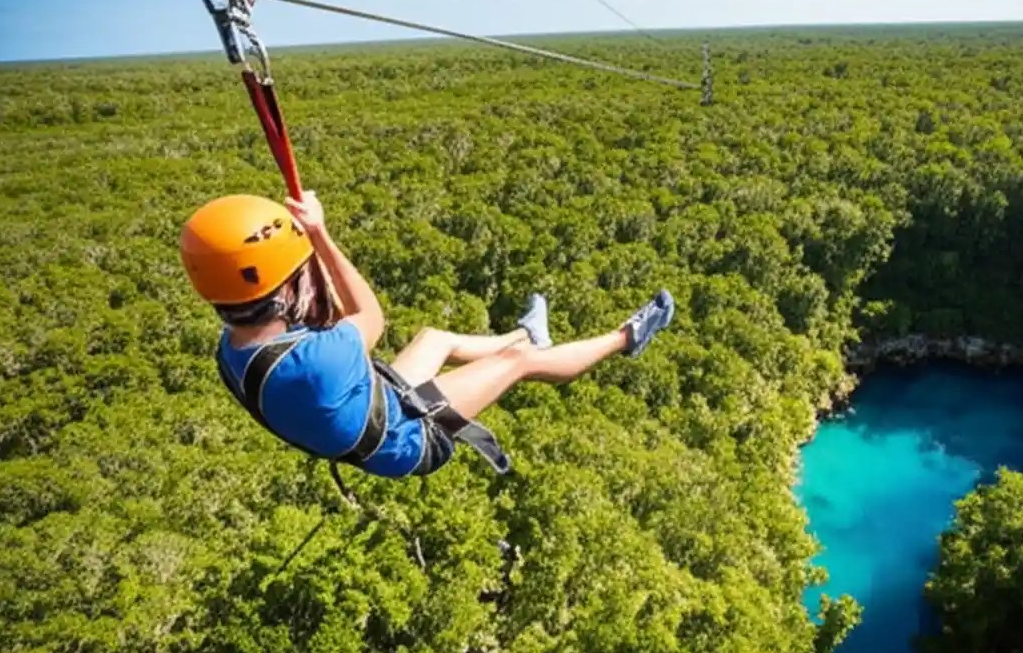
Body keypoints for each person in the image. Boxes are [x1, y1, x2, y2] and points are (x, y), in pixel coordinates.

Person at [179, 190, 675, 478]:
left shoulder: (233, 348)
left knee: (436, 337)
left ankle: (523, 336)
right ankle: (625, 339)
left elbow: (325, 317)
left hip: (371, 401)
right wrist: (319, 235)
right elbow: (369, 313)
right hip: (408, 439)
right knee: (516, 367)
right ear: (285, 286)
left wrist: (299, 250)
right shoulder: (317, 363)